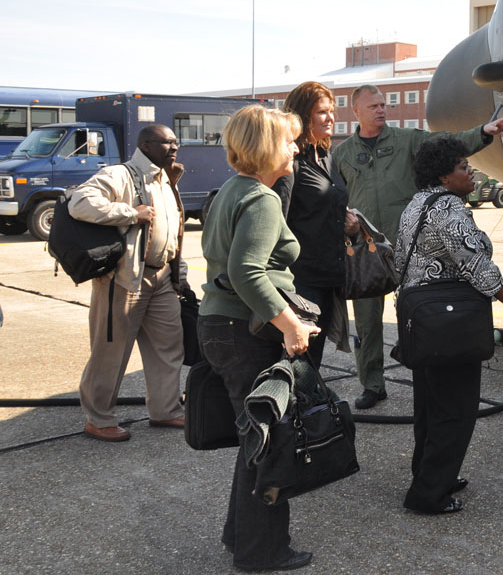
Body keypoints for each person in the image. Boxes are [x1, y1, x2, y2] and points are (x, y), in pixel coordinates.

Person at [330, 84, 503, 410]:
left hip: (408, 248)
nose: (381, 110)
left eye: (384, 104)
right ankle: (372, 384)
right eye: (373, 106)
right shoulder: (342, 154)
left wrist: (483, 133)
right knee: (368, 321)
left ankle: (423, 375)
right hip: (368, 252)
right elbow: (335, 200)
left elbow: (446, 145)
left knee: (416, 314)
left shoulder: (406, 140)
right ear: (356, 111)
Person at [197, 105, 320, 571]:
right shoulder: (263, 199)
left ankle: (240, 536)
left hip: (220, 327)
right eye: (289, 141)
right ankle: (261, 552)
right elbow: (246, 271)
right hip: (243, 333)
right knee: (269, 446)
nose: (295, 148)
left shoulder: (235, 189)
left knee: (256, 441)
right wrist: (290, 324)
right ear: (269, 147)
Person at [396, 137, 503, 514]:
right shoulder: (449, 209)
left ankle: (431, 475)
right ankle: (428, 495)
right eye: (463, 167)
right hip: (449, 322)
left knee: (431, 406)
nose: (471, 172)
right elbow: (475, 265)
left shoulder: (417, 203)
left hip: (424, 320)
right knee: (455, 408)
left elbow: (401, 258)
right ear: (444, 176)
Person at [69, 123, 187, 442]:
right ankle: (99, 418)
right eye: (167, 143)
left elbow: (172, 229)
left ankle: (166, 410)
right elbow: (79, 202)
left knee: (168, 346)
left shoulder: (166, 178)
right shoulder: (120, 175)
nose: (174, 148)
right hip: (124, 279)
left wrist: (179, 272)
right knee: (111, 351)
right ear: (146, 145)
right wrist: (130, 213)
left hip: (162, 277)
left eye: (176, 143)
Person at [273, 81, 358, 368]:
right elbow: (277, 224)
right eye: (322, 112)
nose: (331, 117)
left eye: (332, 111)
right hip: (300, 283)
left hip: (328, 278)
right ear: (302, 115)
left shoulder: (327, 157)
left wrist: (349, 225)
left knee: (310, 367)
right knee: (295, 367)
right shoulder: (290, 161)